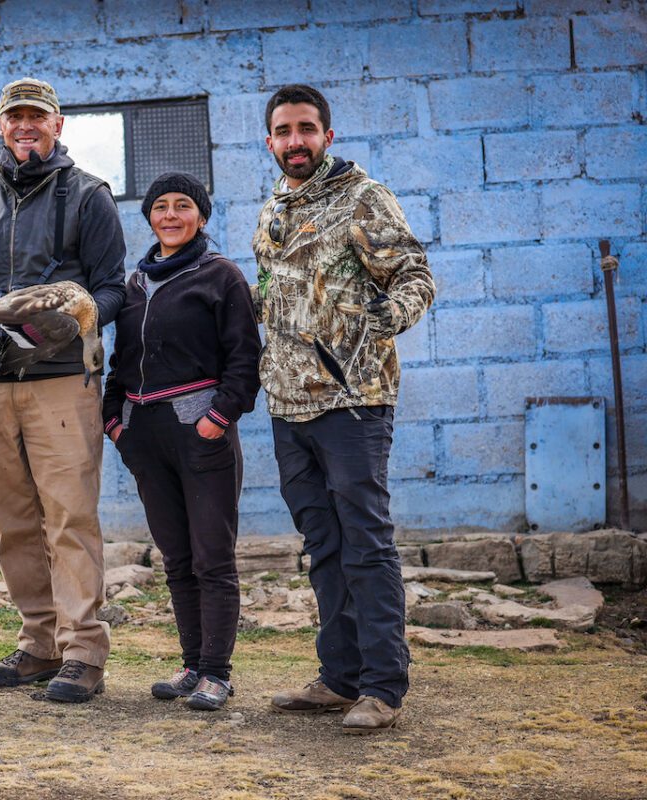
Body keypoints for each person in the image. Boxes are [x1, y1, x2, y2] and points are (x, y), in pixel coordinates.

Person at [252, 85, 435, 733]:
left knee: (366, 543)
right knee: (322, 544)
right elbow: (276, 294)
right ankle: (339, 678)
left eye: (306, 128)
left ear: (327, 135)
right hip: (287, 401)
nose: (294, 140)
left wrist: (367, 329)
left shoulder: (364, 197)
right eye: (283, 130)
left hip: (353, 401)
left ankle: (383, 687)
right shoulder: (275, 204)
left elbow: (414, 277)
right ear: (270, 141)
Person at [0, 77, 127, 703]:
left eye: (38, 117)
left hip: (60, 384)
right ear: (0, 126)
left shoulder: (89, 196)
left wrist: (73, 317)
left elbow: (113, 288)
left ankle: (83, 651)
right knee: (13, 523)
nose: (26, 126)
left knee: (69, 519)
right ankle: (38, 643)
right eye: (14, 116)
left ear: (58, 124)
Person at [104, 173, 262, 711]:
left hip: (202, 432)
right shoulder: (133, 286)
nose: (170, 215)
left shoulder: (221, 277)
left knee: (211, 557)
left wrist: (218, 418)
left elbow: (245, 360)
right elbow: (119, 363)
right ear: (149, 216)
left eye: (183, 206)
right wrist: (115, 423)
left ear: (201, 216)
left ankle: (217, 673)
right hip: (143, 435)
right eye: (161, 207)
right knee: (176, 558)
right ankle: (192, 665)